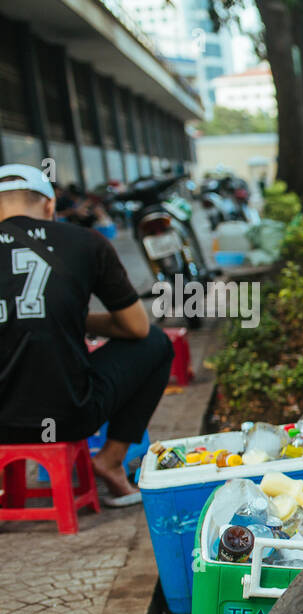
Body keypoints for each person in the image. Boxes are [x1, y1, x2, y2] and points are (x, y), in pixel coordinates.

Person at [0, 164, 173, 506]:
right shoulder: (85, 243)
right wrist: (75, 318)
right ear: (50, 206)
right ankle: (110, 460)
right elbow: (137, 328)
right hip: (69, 417)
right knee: (155, 343)